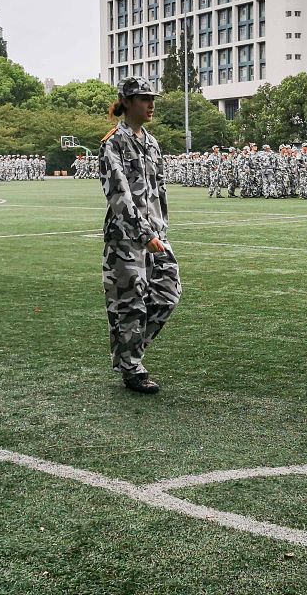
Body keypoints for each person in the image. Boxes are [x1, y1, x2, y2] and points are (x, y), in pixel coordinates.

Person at [99, 77, 181, 394]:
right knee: (130, 304)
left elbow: (159, 192)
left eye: (152, 98)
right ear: (127, 102)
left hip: (155, 234)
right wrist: (143, 232)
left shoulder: (151, 142)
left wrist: (159, 228)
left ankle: (128, 350)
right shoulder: (112, 143)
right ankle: (132, 367)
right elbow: (118, 194)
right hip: (125, 238)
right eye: (144, 98)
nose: (151, 104)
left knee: (168, 293)